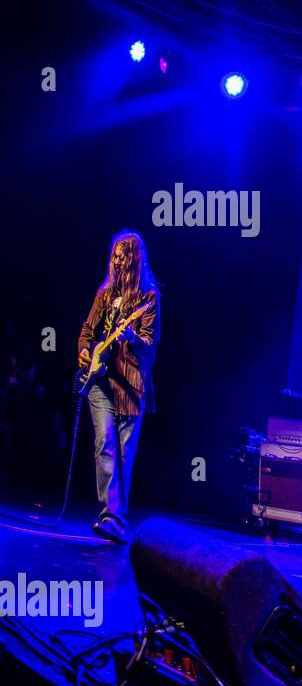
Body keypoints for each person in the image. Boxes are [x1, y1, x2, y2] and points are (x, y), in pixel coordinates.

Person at [78, 231, 160, 544]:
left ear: (135, 259)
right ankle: (110, 516)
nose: (117, 261)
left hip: (131, 386)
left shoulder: (148, 298)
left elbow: (150, 346)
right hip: (100, 380)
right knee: (104, 442)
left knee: (123, 454)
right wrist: (85, 350)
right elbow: (87, 331)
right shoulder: (105, 292)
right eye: (114, 255)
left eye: (123, 256)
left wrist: (133, 338)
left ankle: (116, 519)